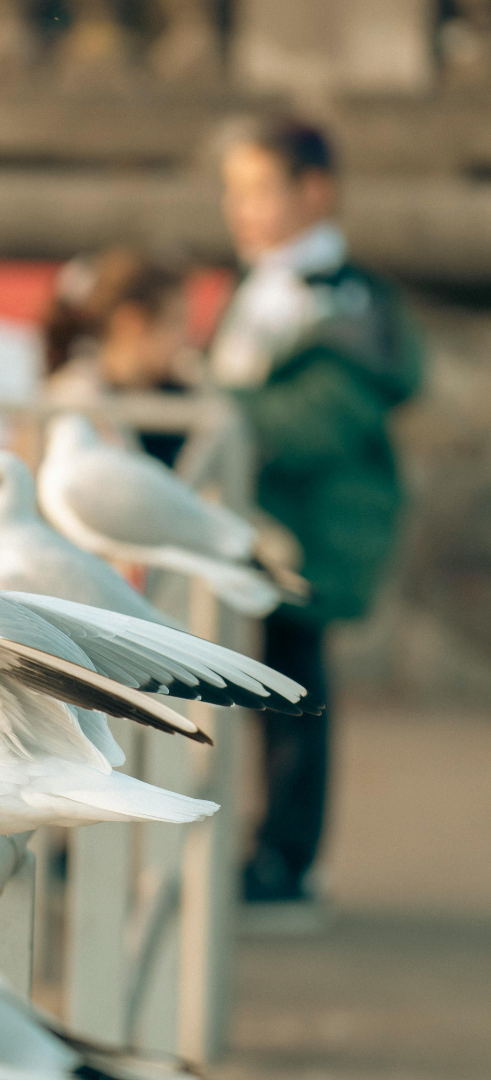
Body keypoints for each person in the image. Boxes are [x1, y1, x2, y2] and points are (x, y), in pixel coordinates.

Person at [210, 119, 423, 906]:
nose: (243, 209)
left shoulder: (349, 298)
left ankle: (285, 861)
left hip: (307, 527)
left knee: (289, 693)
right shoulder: (260, 283)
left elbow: (314, 423)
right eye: (234, 192)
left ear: (316, 192)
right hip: (255, 519)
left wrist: (203, 403)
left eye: (260, 190)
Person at [44, 247, 191, 466]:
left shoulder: (188, 397)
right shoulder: (71, 399)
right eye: (174, 322)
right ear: (131, 323)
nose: (186, 338)